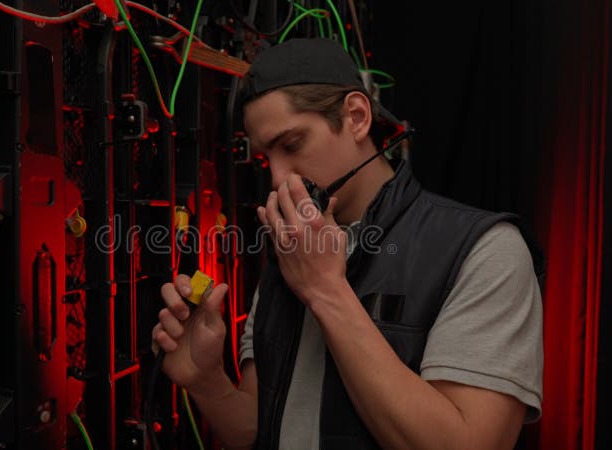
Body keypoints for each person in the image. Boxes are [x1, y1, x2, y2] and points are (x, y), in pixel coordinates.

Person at [152, 38, 543, 450]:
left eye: (292, 145)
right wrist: (207, 382)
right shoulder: (288, 257)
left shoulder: (484, 251)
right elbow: (259, 429)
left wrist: (325, 290)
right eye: (267, 158)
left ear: (356, 117)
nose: (278, 178)